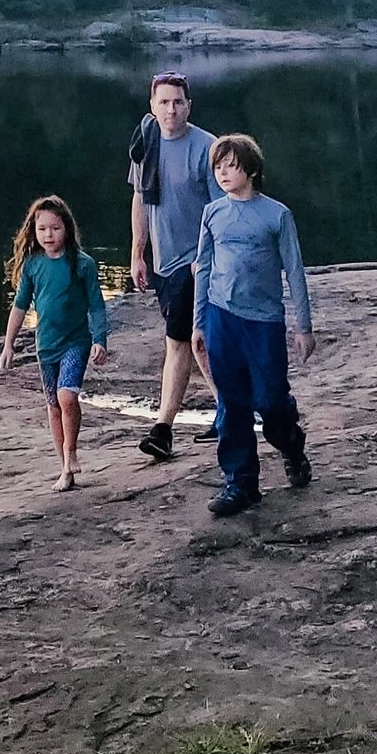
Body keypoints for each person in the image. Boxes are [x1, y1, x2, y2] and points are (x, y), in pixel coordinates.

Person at [191, 134, 314, 519]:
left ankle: (292, 445)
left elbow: (294, 270)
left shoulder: (276, 215)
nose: (224, 173)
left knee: (270, 402)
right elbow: (203, 267)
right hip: (221, 317)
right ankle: (240, 483)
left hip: (263, 324)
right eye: (218, 167)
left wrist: (304, 326)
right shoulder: (213, 213)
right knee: (232, 402)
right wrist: (199, 323)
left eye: (231, 166)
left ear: (251, 169)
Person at [127, 70, 223, 461]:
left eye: (178, 102)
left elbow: (223, 209)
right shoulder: (146, 142)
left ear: (189, 106)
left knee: (178, 342)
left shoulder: (208, 148)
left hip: (196, 262)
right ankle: (230, 411)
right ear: (152, 105)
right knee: (198, 343)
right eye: (164, 102)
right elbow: (139, 198)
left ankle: (162, 429)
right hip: (163, 263)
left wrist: (207, 260)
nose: (171, 110)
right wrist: (137, 252)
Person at [0, 193, 109, 491]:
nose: (49, 235)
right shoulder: (33, 265)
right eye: (42, 229)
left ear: (67, 229)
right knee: (53, 406)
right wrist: (9, 344)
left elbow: (97, 306)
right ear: (34, 231)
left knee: (67, 396)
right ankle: (64, 469)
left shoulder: (83, 264)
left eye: (55, 228)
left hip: (76, 342)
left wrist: (99, 339)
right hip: (46, 345)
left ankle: (71, 452)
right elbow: (20, 307)